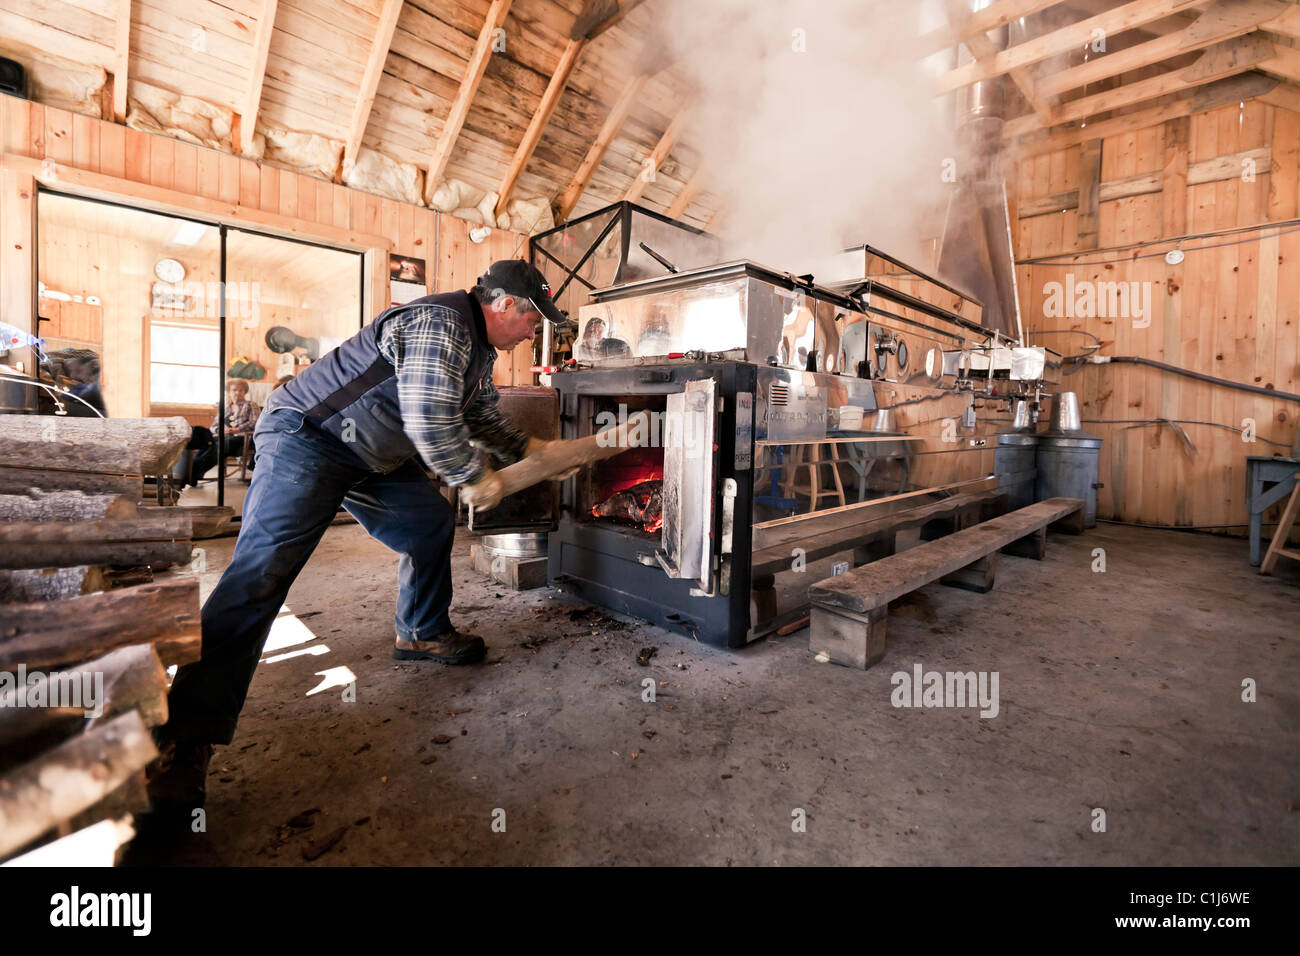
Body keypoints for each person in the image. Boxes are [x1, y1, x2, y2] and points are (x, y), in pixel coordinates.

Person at [145, 260, 566, 815]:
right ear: (505, 305)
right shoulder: (441, 323)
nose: (538, 331)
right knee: (260, 575)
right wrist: (475, 477)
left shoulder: (480, 352)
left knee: (428, 524)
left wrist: (533, 454)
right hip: (308, 437)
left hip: (372, 456)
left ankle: (420, 631)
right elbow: (429, 420)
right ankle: (183, 741)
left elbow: (482, 419)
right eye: (536, 318)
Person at [190, 379, 257, 484]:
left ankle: (195, 473)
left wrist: (237, 429)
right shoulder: (225, 408)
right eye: (234, 390)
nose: (237, 393)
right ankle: (194, 472)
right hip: (224, 436)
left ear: (245, 392)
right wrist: (220, 430)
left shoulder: (251, 404)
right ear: (229, 392)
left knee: (219, 445)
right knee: (207, 444)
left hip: (242, 439)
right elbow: (214, 426)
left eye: (241, 390)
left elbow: (255, 422)